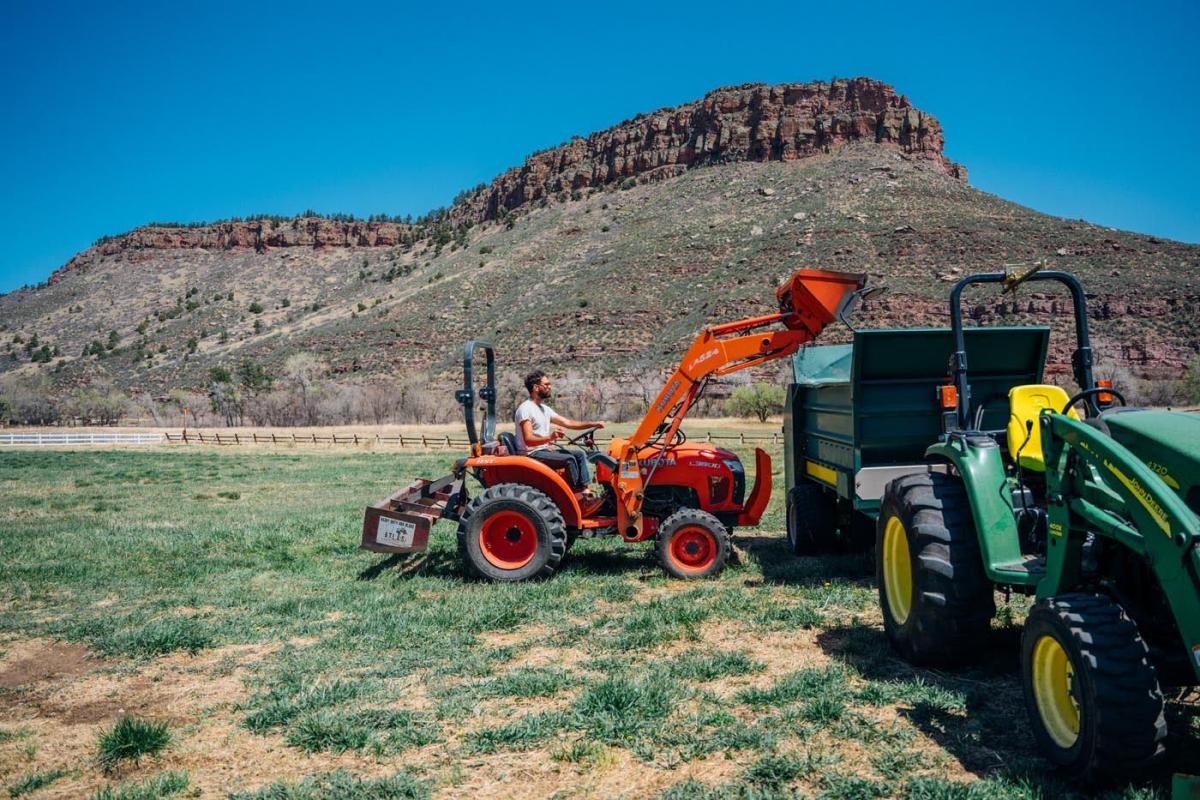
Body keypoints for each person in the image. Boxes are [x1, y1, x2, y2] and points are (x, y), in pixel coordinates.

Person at [513, 371, 605, 489]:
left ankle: (585, 489)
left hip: (543, 450)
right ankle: (576, 494)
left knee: (579, 455)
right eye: (546, 384)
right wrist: (551, 438)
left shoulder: (544, 409)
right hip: (531, 454)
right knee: (569, 459)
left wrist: (594, 424)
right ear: (536, 387)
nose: (549, 387)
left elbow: (568, 423)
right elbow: (528, 440)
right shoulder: (526, 409)